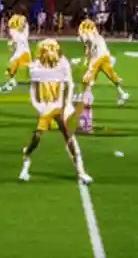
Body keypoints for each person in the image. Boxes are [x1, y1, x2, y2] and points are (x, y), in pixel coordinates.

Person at [19, 39, 92, 184]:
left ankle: (81, 171)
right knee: (37, 136)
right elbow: (33, 91)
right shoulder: (36, 66)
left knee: (69, 137)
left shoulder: (63, 63)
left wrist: (66, 104)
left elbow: (69, 85)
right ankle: (26, 158)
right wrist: (40, 107)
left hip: (61, 104)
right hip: (47, 106)